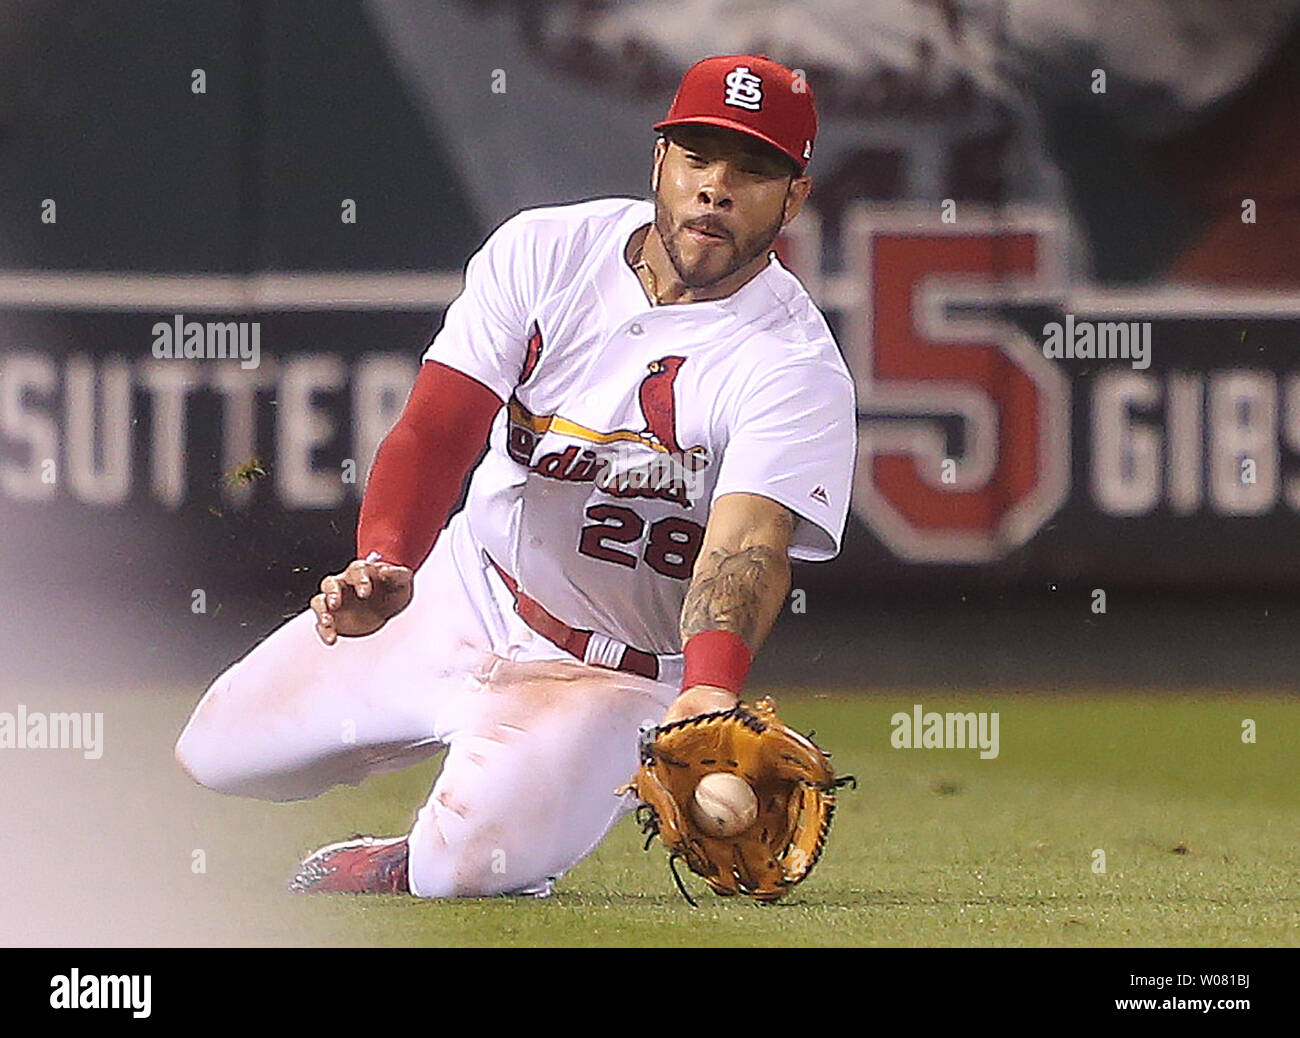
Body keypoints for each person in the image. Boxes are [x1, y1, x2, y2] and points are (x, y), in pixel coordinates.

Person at [174, 54, 857, 898]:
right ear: (660, 161)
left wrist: (709, 690)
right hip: (469, 591)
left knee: (456, 875)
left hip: (615, 675)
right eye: (697, 156)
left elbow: (748, 544)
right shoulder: (548, 252)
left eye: (753, 168)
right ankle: (436, 753)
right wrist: (386, 559)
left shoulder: (793, 363)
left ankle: (415, 852)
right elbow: (436, 430)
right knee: (214, 753)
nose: (716, 187)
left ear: (794, 197)